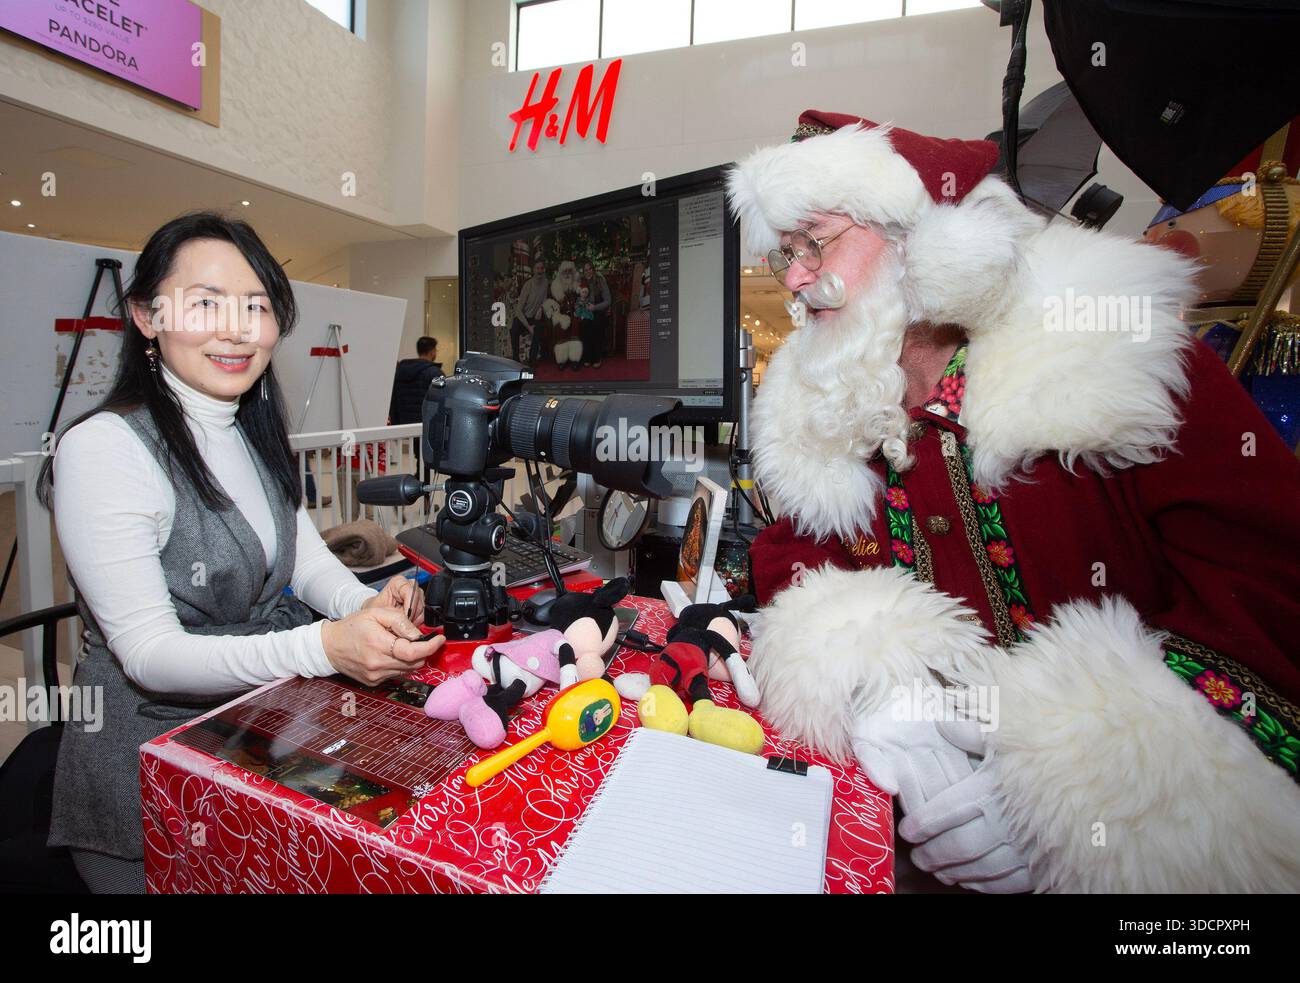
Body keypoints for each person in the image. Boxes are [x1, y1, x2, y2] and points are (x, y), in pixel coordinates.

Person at [728, 110, 1300, 892]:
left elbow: (1273, 594)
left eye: (814, 243)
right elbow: (795, 555)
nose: (794, 278)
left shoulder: (1124, 369)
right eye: (785, 253)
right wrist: (874, 681)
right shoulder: (828, 410)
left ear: (922, 242)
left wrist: (1080, 798)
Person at [37, 212, 445, 893]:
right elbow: (149, 652)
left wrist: (364, 603)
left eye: (256, 305)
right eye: (206, 302)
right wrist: (323, 647)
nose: (238, 327)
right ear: (145, 314)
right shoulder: (105, 448)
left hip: (253, 736)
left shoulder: (252, 431)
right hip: (147, 778)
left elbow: (305, 559)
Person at [388, 335, 444, 425]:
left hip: (404, 429)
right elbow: (441, 402)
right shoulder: (435, 373)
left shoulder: (400, 371)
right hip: (426, 428)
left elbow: (393, 403)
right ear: (432, 351)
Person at [511, 259, 549, 365]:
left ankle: (532, 361)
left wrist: (541, 308)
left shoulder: (546, 282)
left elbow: (545, 299)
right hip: (523, 317)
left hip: (535, 317)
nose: (540, 271)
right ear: (533, 270)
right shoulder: (528, 285)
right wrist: (528, 327)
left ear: (544, 270)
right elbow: (518, 310)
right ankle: (516, 360)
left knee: (539, 329)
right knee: (513, 330)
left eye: (542, 268)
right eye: (537, 268)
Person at [580, 260, 611, 368]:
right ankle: (588, 357)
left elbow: (608, 301)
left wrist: (595, 307)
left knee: (596, 324)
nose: (588, 272)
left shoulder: (600, 280)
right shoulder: (582, 282)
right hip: (587, 311)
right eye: (585, 270)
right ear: (583, 272)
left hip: (599, 310)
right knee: (585, 325)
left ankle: (597, 357)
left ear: (593, 270)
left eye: (590, 269)